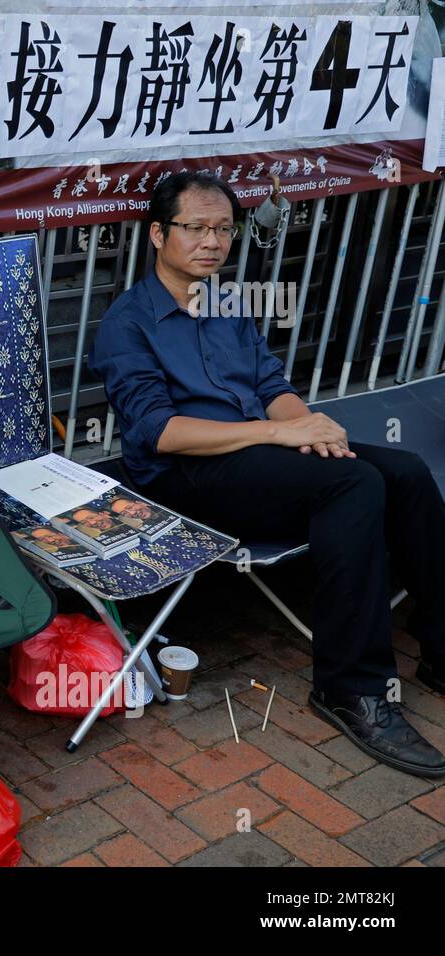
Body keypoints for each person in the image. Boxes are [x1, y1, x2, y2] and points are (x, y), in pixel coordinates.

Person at [89, 170, 445, 778]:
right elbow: (160, 432)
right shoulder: (128, 323)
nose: (211, 241)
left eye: (223, 229)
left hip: (258, 457)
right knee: (354, 485)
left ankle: (442, 647)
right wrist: (280, 433)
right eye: (195, 228)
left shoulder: (227, 304)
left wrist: (312, 428)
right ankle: (350, 687)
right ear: (157, 234)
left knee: (405, 470)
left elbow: (272, 387)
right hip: (186, 478)